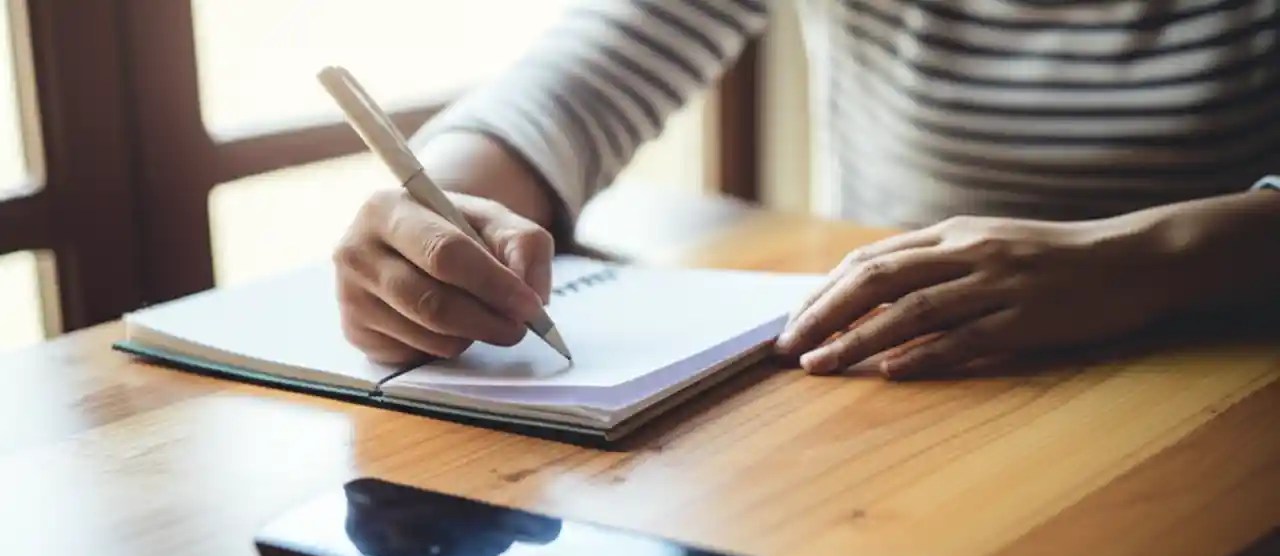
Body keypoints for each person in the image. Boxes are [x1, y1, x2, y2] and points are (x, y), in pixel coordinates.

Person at [333, 1, 1280, 378]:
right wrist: (446, 193)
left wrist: (1151, 260)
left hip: (1222, 377)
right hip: (893, 369)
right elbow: (598, 66)